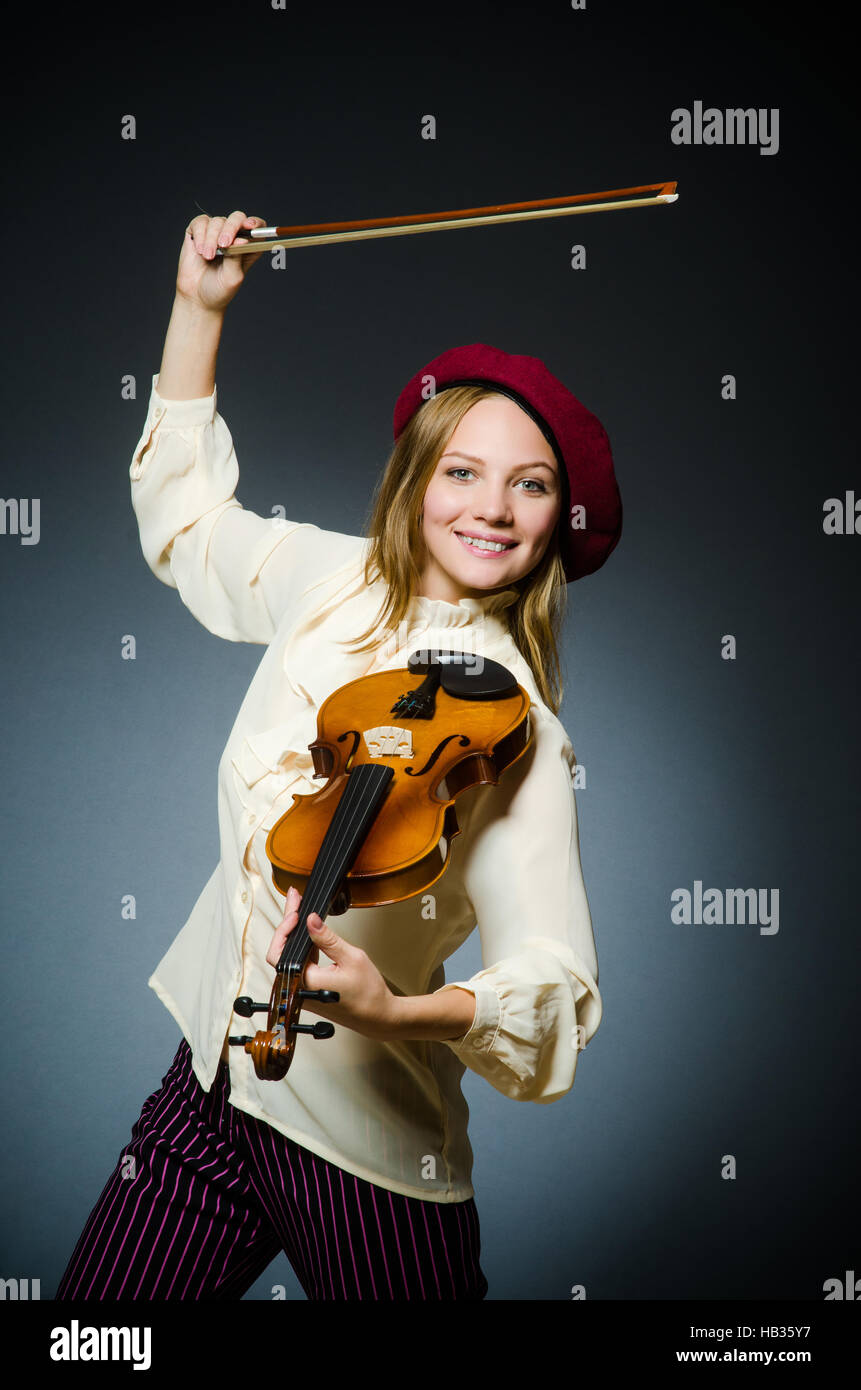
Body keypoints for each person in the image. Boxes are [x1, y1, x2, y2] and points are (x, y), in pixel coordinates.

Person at [55, 208, 622, 1302]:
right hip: (214, 1080)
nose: (490, 508)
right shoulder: (331, 579)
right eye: (462, 470)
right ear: (417, 476)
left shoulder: (518, 735)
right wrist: (198, 308)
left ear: (558, 521)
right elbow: (184, 518)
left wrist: (395, 1012)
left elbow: (551, 979)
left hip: (368, 1149)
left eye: (531, 484)